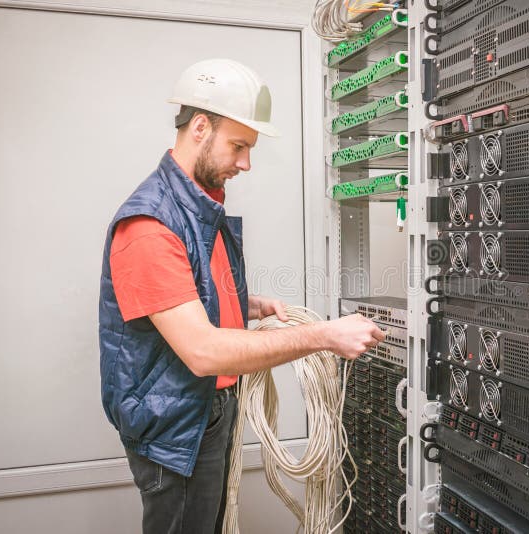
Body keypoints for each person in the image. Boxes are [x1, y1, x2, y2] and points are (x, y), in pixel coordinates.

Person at [98, 58, 385, 534]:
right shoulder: (150, 225)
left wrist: (249, 305)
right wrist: (324, 336)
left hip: (201, 415)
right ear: (200, 127)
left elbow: (181, 296)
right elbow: (203, 350)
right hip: (177, 429)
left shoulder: (197, 206)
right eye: (238, 146)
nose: (245, 163)